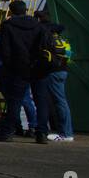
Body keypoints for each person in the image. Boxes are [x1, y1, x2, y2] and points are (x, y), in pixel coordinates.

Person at [0, 0, 50, 143]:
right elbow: (45, 44)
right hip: (39, 67)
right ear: (25, 9)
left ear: (11, 11)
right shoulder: (38, 25)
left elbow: (5, 49)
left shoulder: (8, 26)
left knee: (14, 102)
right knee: (41, 101)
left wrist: (10, 66)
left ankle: (7, 132)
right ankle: (41, 133)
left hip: (19, 68)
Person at [33, 10, 74, 142]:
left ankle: (65, 133)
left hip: (51, 71)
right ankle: (65, 131)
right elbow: (68, 54)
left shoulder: (43, 34)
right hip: (63, 69)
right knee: (61, 101)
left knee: (58, 101)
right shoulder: (59, 36)